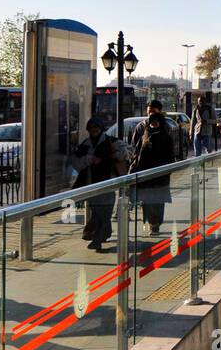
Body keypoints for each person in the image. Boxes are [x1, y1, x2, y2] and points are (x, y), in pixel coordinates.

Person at [74, 117, 122, 250]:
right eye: (91, 128)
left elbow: (127, 153)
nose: (94, 130)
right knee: (98, 211)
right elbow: (76, 163)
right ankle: (103, 233)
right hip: (91, 184)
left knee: (104, 212)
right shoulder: (85, 145)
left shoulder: (111, 141)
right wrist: (88, 159)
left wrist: (117, 155)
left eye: (97, 127)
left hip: (108, 183)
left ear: (101, 128)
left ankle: (97, 239)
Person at [129, 100, 174, 235]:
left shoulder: (167, 128)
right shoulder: (141, 128)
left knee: (158, 199)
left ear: (160, 112)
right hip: (145, 169)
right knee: (146, 199)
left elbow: (171, 151)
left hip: (161, 171)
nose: (150, 115)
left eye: (153, 112)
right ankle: (150, 222)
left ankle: (156, 223)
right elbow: (134, 147)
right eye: (149, 112)